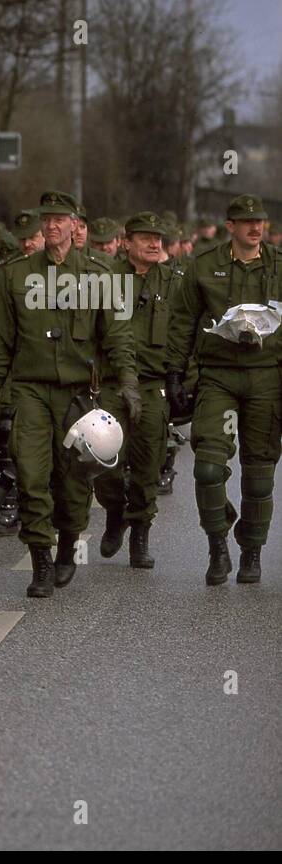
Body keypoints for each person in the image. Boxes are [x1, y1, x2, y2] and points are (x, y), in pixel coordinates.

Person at [0, 191, 138, 597]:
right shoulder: (15, 276)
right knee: (32, 476)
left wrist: (129, 383)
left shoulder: (99, 274)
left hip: (78, 395)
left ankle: (68, 545)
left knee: (72, 481)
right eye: (46, 219)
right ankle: (41, 561)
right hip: (31, 390)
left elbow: (118, 335)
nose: (52, 226)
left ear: (74, 224)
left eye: (60, 219)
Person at [167, 194, 282, 585]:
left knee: (259, 475)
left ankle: (251, 551)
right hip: (218, 375)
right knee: (208, 467)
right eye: (246, 222)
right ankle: (218, 545)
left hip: (267, 376)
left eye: (260, 222)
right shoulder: (205, 266)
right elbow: (182, 321)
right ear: (230, 226)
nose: (256, 228)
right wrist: (174, 374)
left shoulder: (279, 266)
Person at [94, 212, 178, 568]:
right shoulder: (106, 280)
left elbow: (183, 332)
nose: (154, 243)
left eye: (158, 238)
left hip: (154, 384)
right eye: (145, 238)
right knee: (106, 461)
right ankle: (115, 512)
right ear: (126, 242)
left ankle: (140, 533)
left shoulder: (173, 282)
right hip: (113, 384)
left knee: (148, 465)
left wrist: (182, 381)